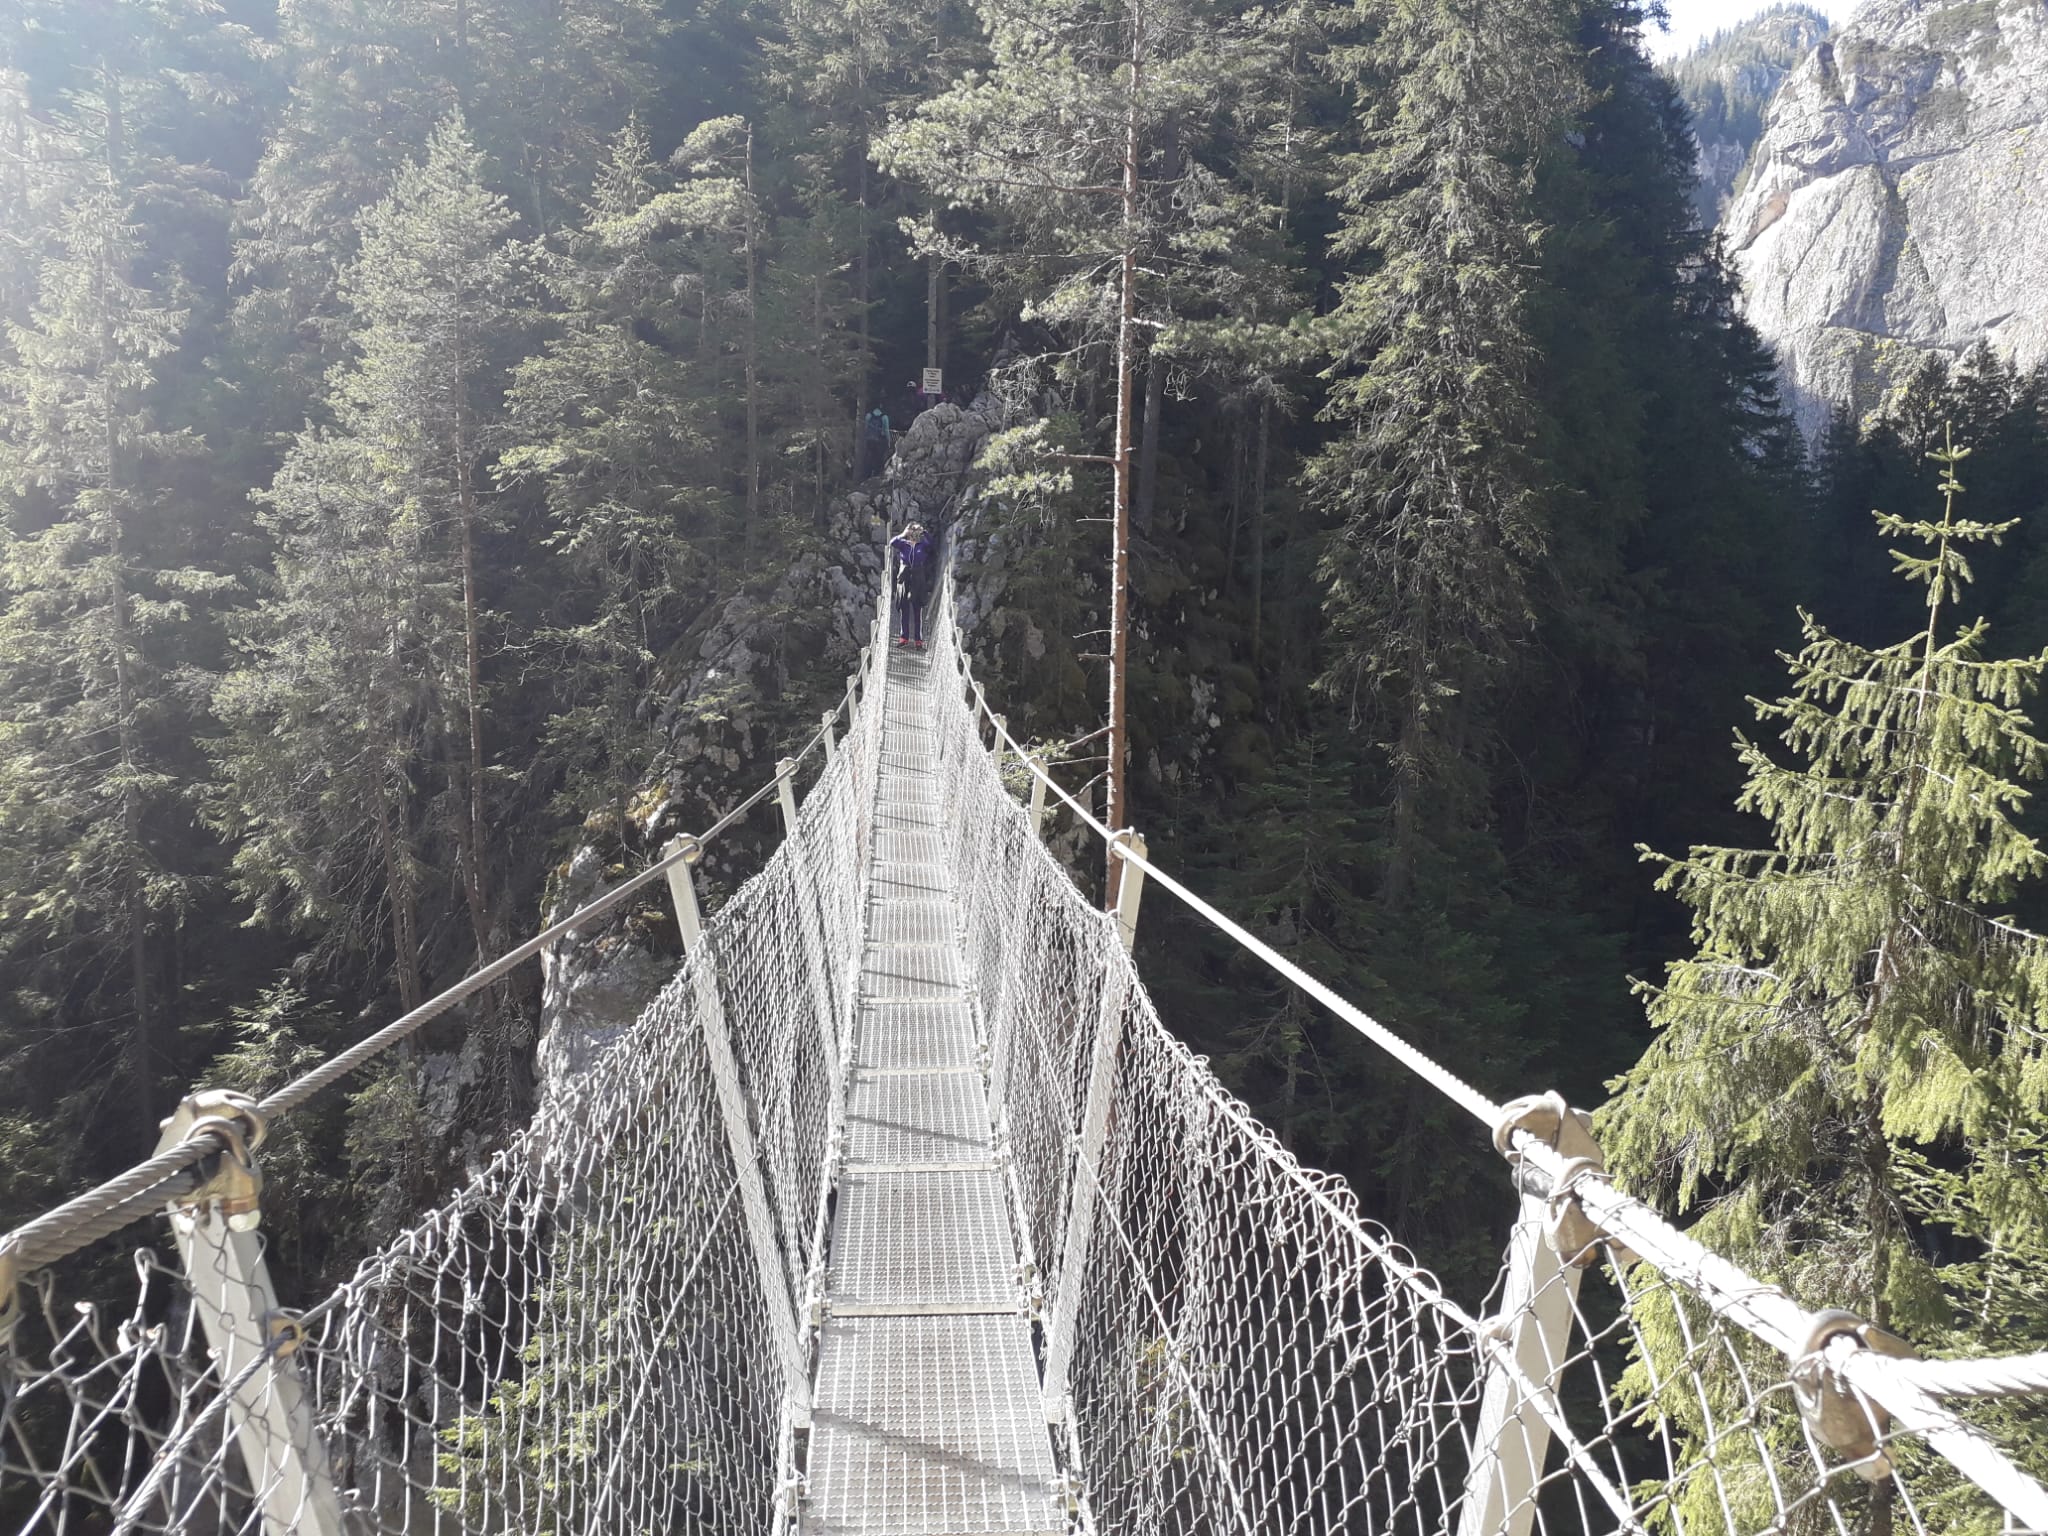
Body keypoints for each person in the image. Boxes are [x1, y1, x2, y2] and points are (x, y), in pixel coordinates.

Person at [888, 521, 933, 649]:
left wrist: (924, 532)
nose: (913, 535)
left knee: (917, 609)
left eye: (915, 532)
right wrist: (903, 533)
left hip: (918, 578)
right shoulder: (903, 544)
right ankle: (904, 638)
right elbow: (892, 543)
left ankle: (918, 640)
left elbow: (931, 545)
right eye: (912, 532)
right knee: (904, 608)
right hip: (904, 577)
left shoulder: (922, 545)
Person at [859, 405, 891, 480]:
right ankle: (877, 476)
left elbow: (865, 428)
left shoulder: (868, 415)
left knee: (868, 458)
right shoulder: (884, 417)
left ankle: (866, 476)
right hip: (879, 441)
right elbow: (886, 430)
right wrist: (888, 441)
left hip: (869, 440)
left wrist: (864, 438)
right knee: (878, 459)